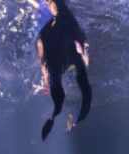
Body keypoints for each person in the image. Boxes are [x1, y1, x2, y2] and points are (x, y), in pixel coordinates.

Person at [36, 0, 92, 140]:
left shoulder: (48, 28)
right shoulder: (52, 26)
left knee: (76, 87)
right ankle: (64, 119)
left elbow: (42, 53)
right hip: (61, 51)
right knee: (82, 86)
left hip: (59, 52)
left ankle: (59, 118)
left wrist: (44, 76)